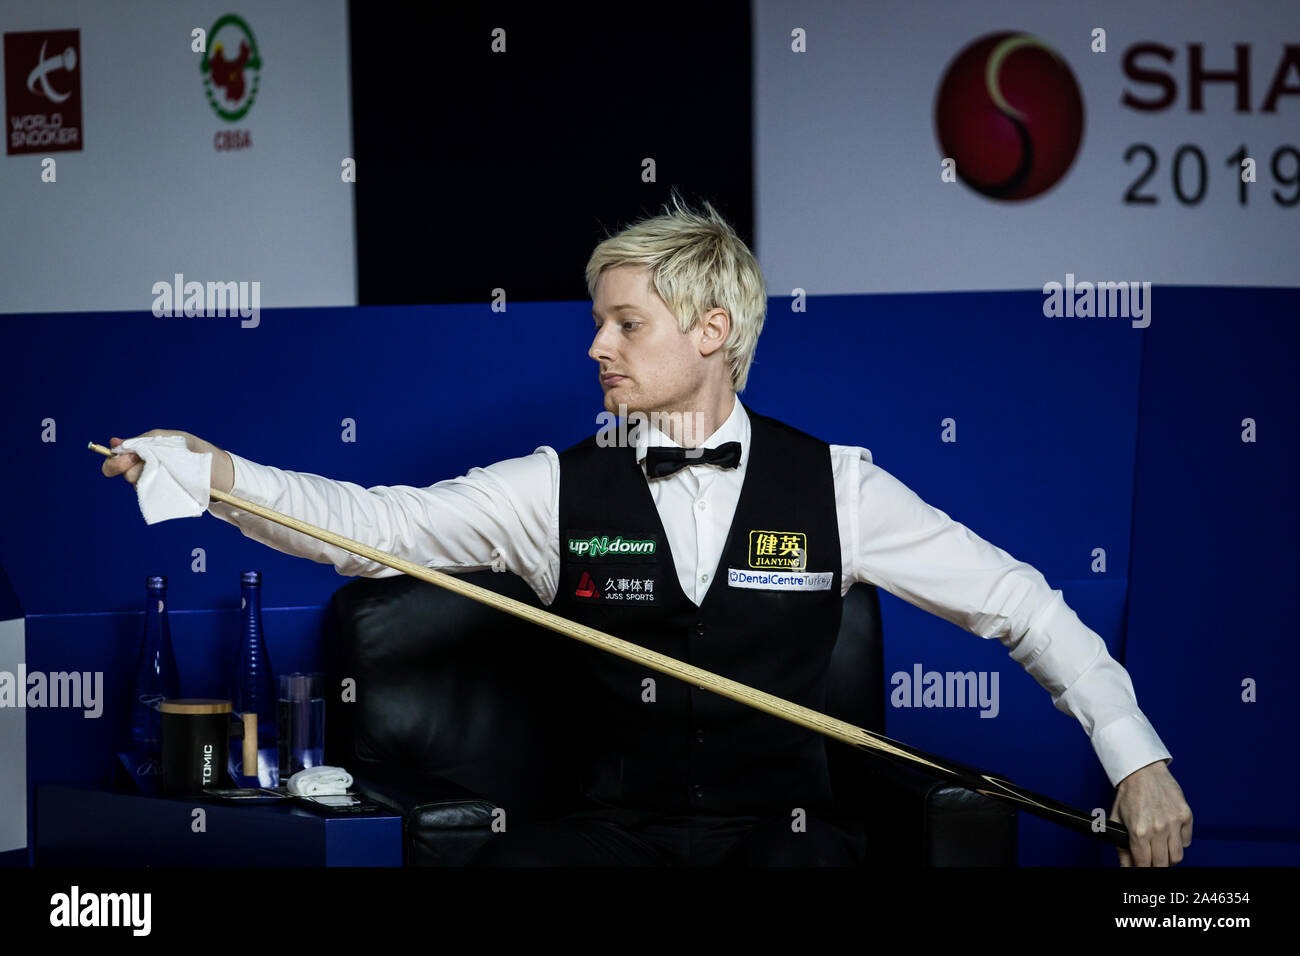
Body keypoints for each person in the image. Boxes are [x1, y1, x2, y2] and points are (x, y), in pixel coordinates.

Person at [103, 193, 1193, 867]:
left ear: (713, 330)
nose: (596, 347)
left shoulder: (841, 488)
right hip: (608, 832)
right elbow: (371, 527)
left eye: (626, 322)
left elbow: (1021, 605)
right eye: (596, 323)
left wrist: (1135, 757)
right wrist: (213, 472)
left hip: (787, 838)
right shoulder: (550, 490)